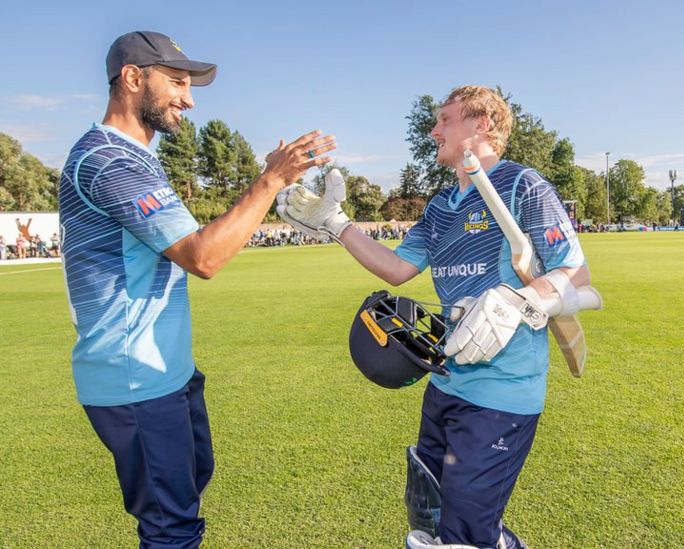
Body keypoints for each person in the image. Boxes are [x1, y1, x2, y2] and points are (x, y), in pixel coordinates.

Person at [277, 85, 596, 549]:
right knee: (429, 519)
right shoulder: (439, 207)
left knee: (463, 536)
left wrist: (518, 301)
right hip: (445, 384)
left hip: (502, 393)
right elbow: (397, 268)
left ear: (481, 124)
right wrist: (337, 225)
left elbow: (577, 273)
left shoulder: (522, 185)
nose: (433, 130)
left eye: (445, 119)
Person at [58, 31, 335, 548]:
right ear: (133, 78)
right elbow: (203, 257)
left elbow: (199, 242)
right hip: (133, 376)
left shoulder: (135, 158)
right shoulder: (109, 160)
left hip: (166, 371)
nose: (189, 99)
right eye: (179, 83)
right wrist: (269, 182)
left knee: (186, 497)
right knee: (171, 529)